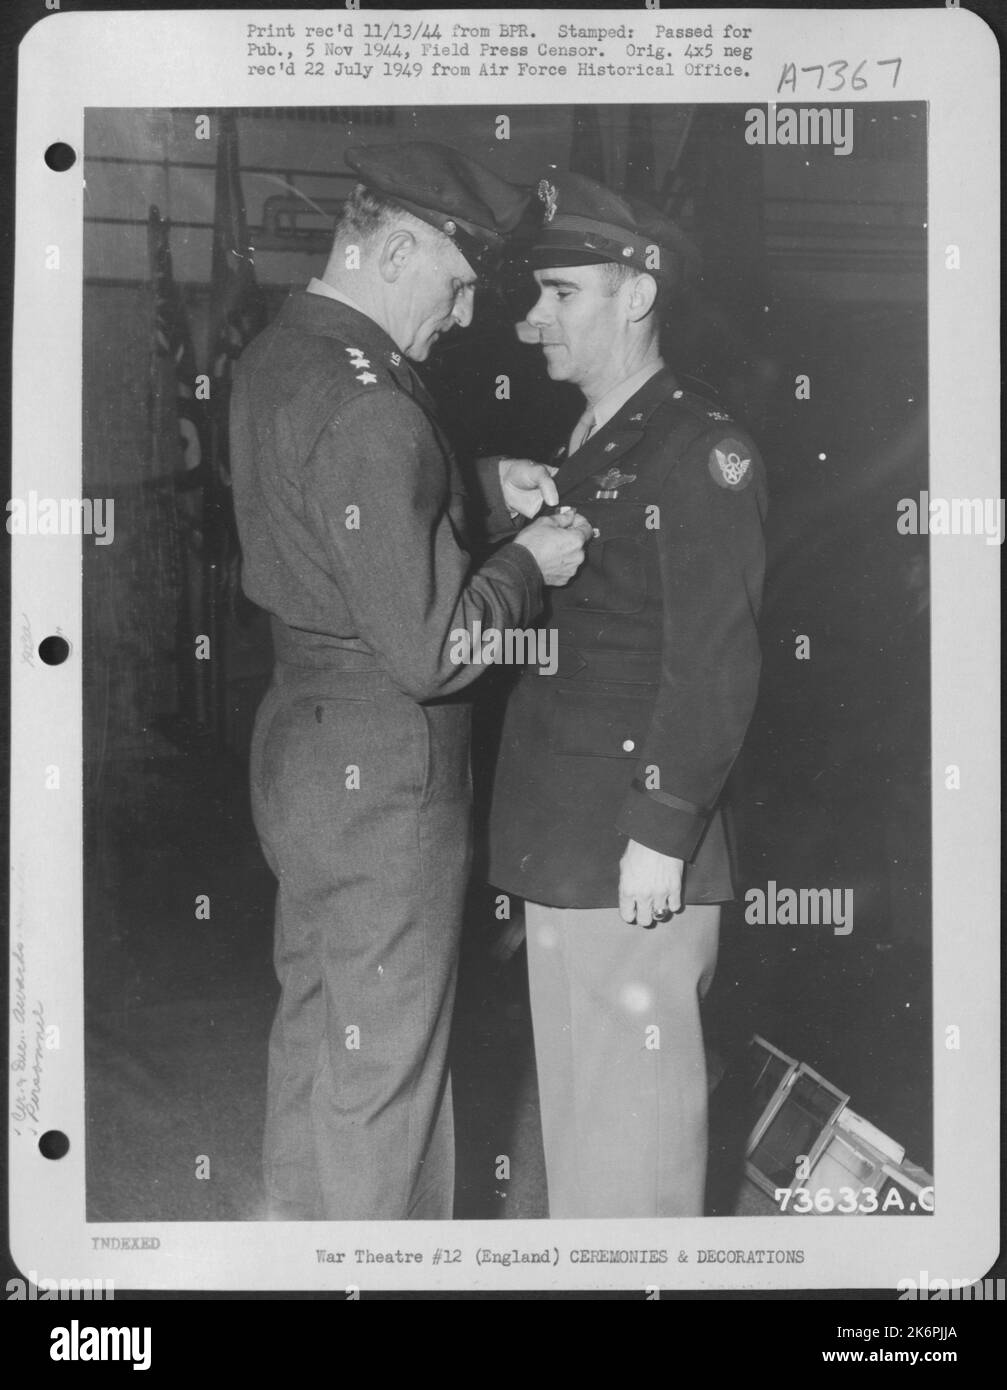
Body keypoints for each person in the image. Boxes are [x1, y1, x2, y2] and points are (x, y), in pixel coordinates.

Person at [230, 142, 591, 1221]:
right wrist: (532, 562)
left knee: (318, 1032)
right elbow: (433, 647)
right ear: (393, 249)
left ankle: (298, 1260)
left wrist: (481, 487)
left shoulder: (280, 356)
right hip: (384, 772)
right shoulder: (376, 407)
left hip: (300, 739)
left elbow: (347, 524)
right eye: (460, 277)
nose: (471, 309)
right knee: (388, 1079)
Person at [488, 170, 768, 1218]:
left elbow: (716, 656)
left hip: (633, 857)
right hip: (570, 849)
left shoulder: (700, 448)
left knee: (636, 1169)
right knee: (583, 1153)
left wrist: (660, 827)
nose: (530, 323)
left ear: (636, 294)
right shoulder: (589, 443)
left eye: (561, 293)